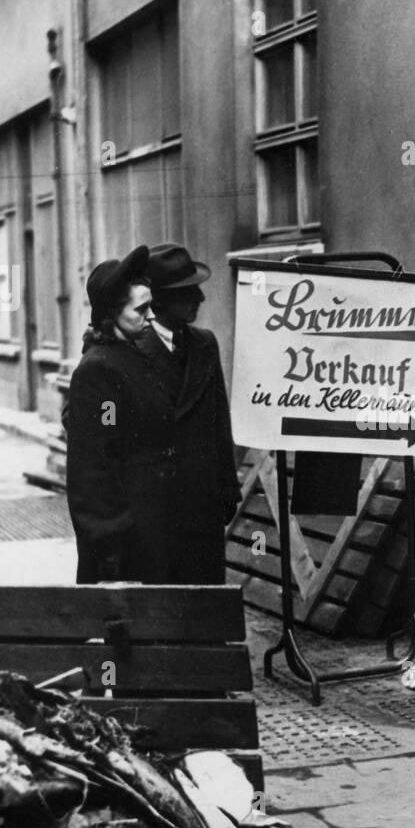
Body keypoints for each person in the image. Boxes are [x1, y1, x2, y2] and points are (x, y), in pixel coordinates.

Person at [65, 244, 187, 584]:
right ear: (112, 313)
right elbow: (94, 463)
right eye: (142, 309)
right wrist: (109, 547)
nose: (150, 317)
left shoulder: (133, 358)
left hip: (154, 526)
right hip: (127, 540)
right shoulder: (99, 371)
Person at [135, 242, 241, 583]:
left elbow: (218, 421)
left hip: (202, 498)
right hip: (153, 506)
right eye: (188, 291)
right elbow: (92, 419)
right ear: (159, 300)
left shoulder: (204, 343)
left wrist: (228, 488)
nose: (201, 298)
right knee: (161, 609)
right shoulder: (128, 348)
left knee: (207, 600)